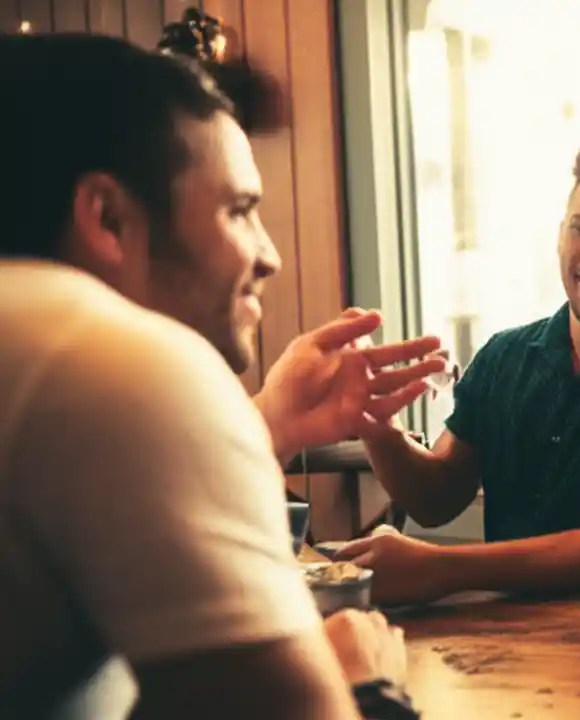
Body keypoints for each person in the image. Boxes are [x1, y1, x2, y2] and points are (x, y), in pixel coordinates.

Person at [0, 33, 430, 718]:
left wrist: (267, 425)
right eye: (238, 210)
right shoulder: (118, 361)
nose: (270, 256)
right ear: (108, 218)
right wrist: (361, 683)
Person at [341, 136, 580, 604]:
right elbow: (433, 500)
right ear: (561, 233)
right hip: (501, 643)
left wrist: (441, 567)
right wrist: (377, 423)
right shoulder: (505, 354)